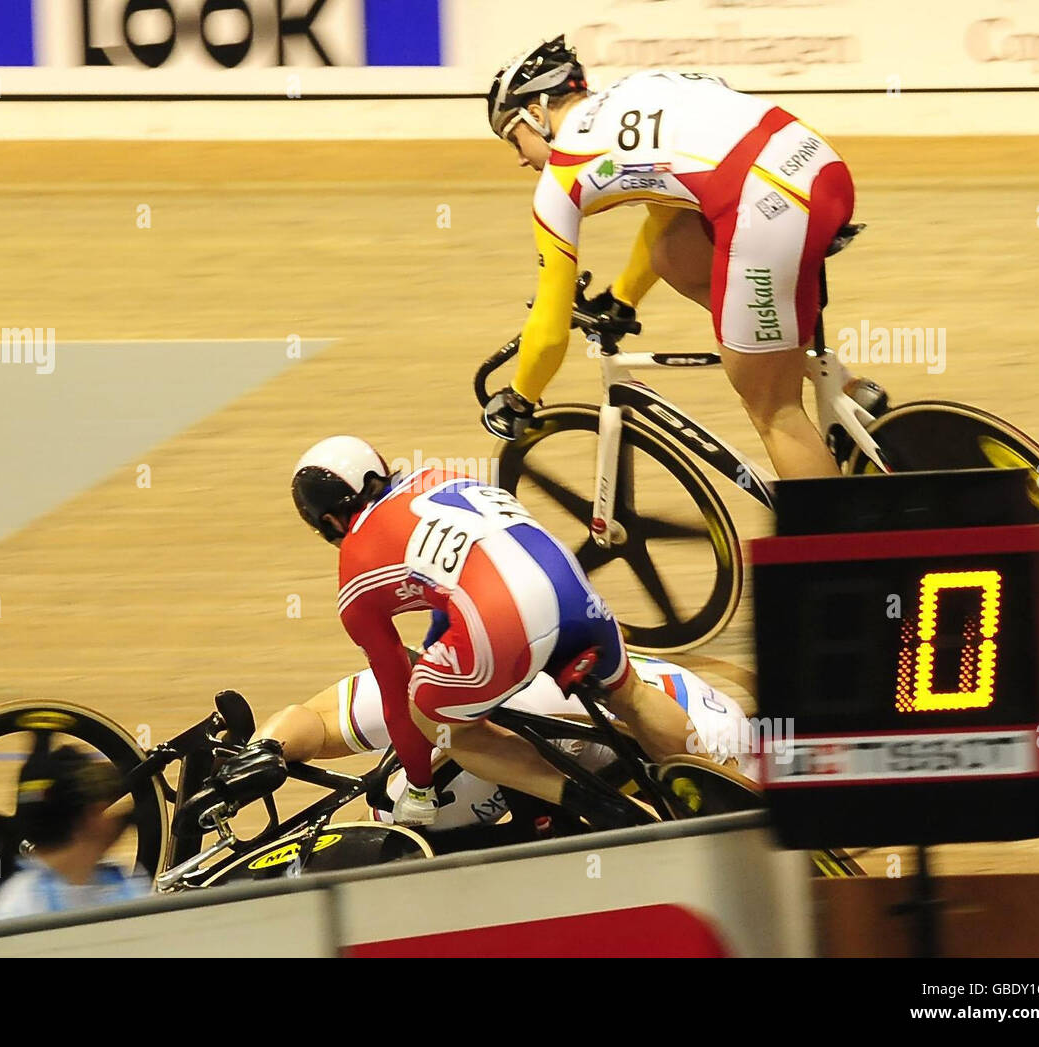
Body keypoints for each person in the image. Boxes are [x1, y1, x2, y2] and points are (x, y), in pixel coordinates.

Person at [481, 36, 877, 480]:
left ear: (536, 113)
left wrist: (521, 397)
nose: (519, 159)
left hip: (766, 206)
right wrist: (623, 297)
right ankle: (845, 386)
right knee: (673, 255)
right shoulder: (639, 88)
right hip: (819, 166)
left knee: (774, 410)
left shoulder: (562, 177)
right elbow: (665, 221)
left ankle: (835, 547)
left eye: (514, 138)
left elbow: (550, 327)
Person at [280, 434, 712, 829]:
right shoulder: (439, 476)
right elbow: (455, 579)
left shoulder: (354, 572)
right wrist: (438, 646)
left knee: (430, 715)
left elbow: (395, 698)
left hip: (503, 620)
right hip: (568, 583)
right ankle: (718, 792)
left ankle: (593, 802)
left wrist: (419, 786)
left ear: (333, 521)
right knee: (631, 695)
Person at [237, 651, 757, 833]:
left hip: (696, 748)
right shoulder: (429, 685)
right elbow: (315, 719)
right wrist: (267, 749)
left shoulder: (717, 745)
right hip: (645, 726)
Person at [0, 745, 149, 921]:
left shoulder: (17, 903)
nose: (115, 819)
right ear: (91, 818)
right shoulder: (129, 893)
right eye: (104, 811)